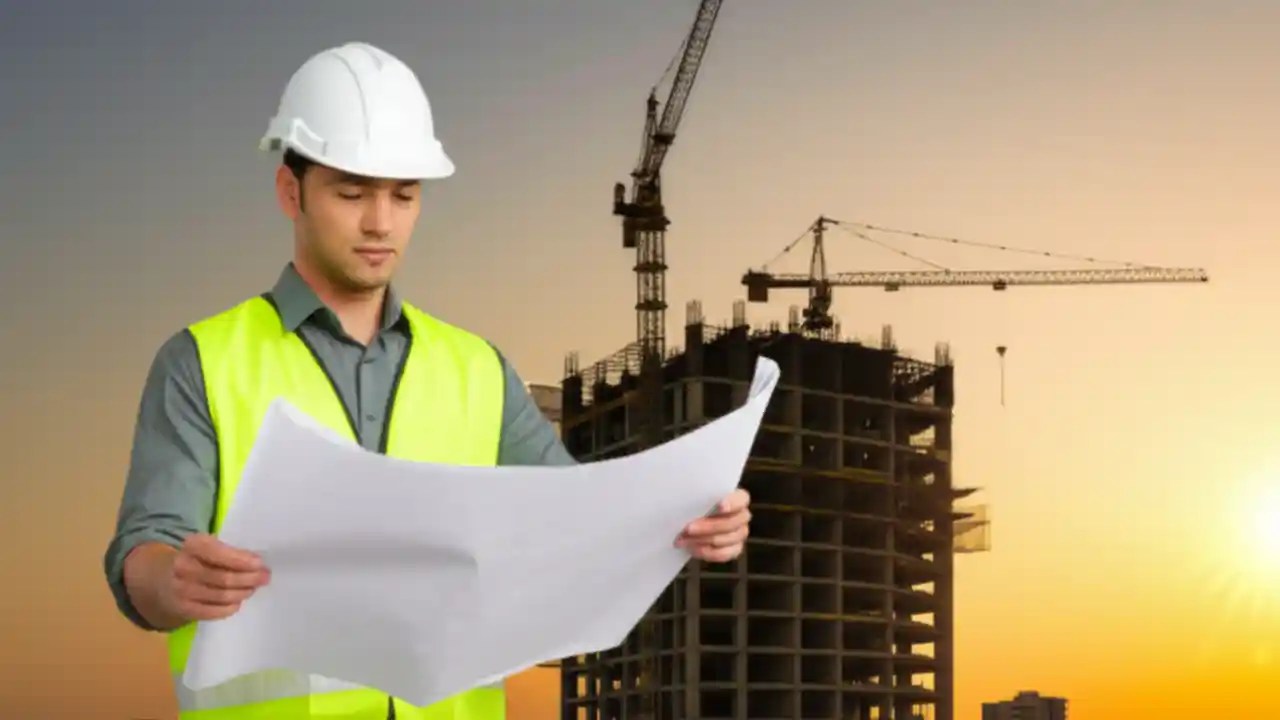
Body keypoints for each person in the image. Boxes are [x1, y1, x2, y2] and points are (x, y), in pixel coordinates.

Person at [102, 41, 752, 720]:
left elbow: (576, 525)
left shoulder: (477, 369)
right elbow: (145, 553)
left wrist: (687, 521)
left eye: (404, 195)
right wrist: (178, 582)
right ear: (290, 191)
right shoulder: (202, 362)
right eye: (352, 193)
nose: (380, 222)